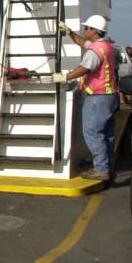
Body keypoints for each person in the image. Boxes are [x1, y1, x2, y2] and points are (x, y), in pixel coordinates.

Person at [54, 14, 119, 182]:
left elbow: (85, 68)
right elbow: (83, 43)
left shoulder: (95, 51)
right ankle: (107, 165)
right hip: (110, 96)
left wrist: (65, 77)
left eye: (87, 28)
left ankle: (101, 169)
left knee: (92, 131)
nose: (85, 30)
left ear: (94, 31)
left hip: (98, 97)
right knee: (107, 134)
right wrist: (69, 32)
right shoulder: (106, 46)